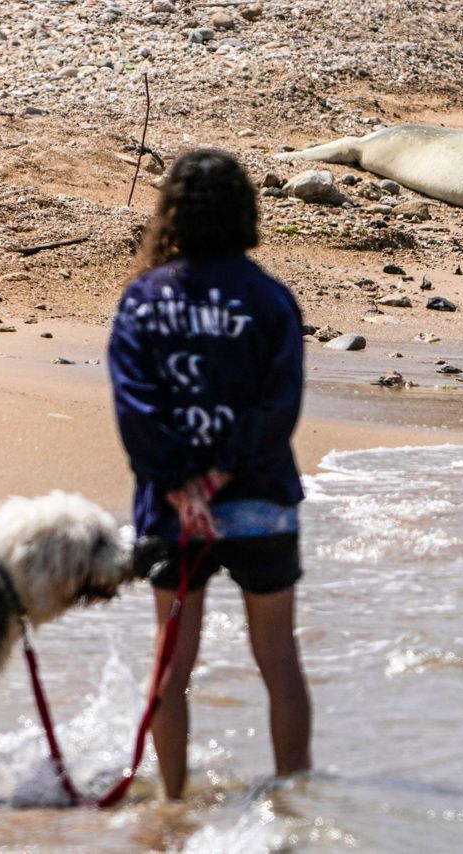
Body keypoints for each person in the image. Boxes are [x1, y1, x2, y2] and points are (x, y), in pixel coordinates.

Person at [108, 148, 312, 800]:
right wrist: (217, 477)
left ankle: (171, 811)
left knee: (172, 666)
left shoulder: (143, 301)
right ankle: (293, 812)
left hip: (173, 512)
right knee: (278, 659)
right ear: (245, 213)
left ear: (173, 213)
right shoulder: (270, 300)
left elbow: (136, 405)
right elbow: (278, 408)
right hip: (257, 499)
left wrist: (179, 485)